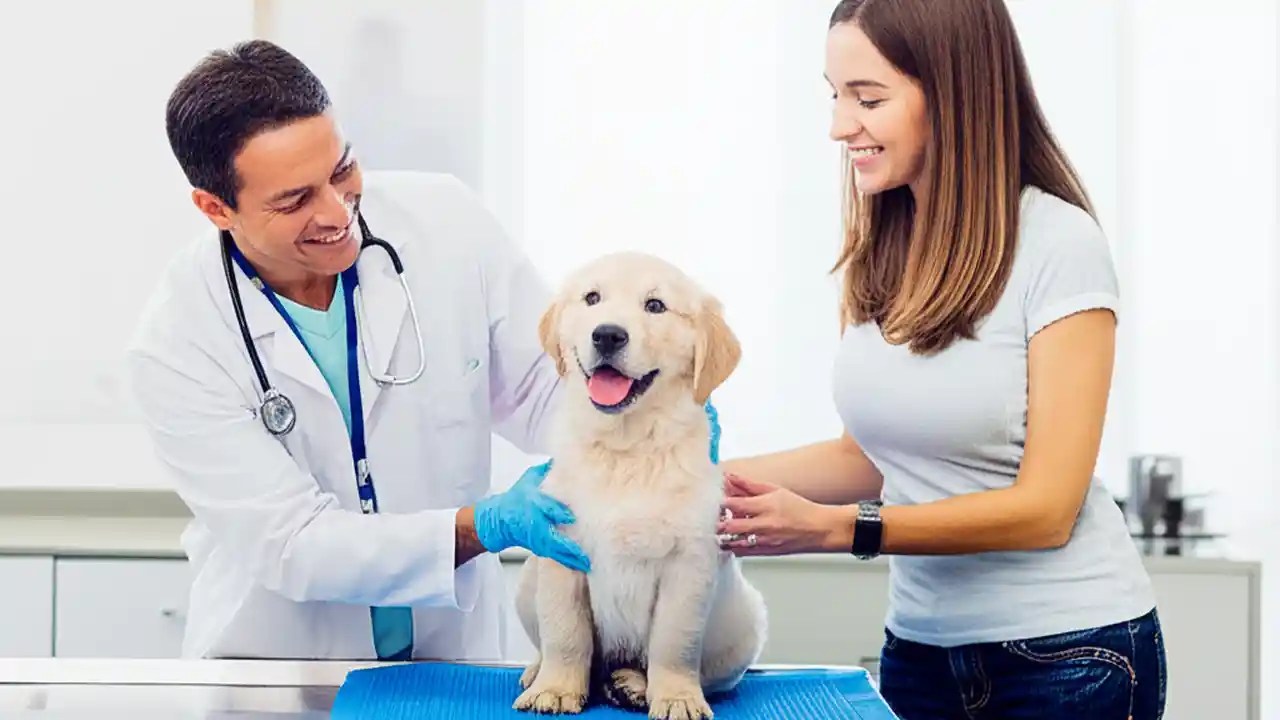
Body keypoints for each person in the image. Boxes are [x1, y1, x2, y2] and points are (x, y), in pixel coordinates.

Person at [126, 40, 717, 662]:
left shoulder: (447, 223)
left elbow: (551, 389)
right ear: (215, 208)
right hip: (285, 663)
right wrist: (482, 526)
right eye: (295, 200)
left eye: (341, 169)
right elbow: (292, 544)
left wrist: (653, 423)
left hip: (452, 656)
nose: (337, 212)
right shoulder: (178, 342)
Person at [715, 1, 1167, 718]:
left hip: (1069, 656)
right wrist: (691, 483)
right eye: (835, 96)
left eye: (867, 98)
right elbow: (871, 457)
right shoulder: (888, 244)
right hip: (920, 655)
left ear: (954, 92)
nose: (839, 127)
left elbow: (1047, 510)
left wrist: (841, 528)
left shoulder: (1058, 244)